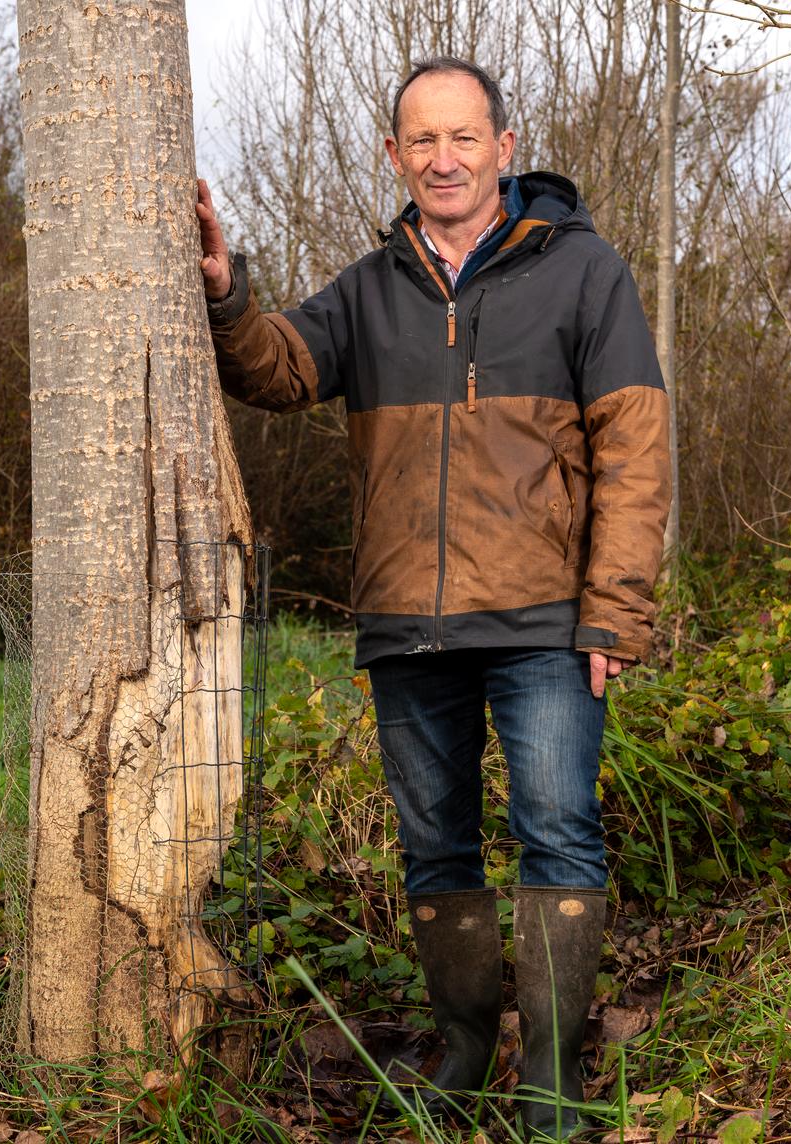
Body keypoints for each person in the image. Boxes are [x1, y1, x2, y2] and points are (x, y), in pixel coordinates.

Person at [196, 56, 671, 1140]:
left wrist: (616, 610)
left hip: (549, 619)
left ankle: (548, 1073)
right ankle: (464, 1048)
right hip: (408, 623)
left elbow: (636, 454)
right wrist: (225, 293)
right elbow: (277, 369)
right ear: (395, 156)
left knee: (557, 833)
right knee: (435, 848)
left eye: (464, 138)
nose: (444, 159)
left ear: (505, 149)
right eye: (422, 141)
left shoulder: (586, 274)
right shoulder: (371, 287)